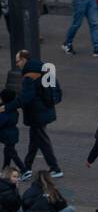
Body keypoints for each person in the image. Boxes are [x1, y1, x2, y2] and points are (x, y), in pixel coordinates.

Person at [14, 49, 62, 178]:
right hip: (45, 109)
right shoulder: (41, 68)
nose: (17, 65)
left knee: (42, 140)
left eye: (17, 61)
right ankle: (27, 167)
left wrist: (9, 106)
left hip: (37, 113)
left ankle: (55, 168)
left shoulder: (29, 76)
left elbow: (26, 97)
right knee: (35, 141)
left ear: (24, 60)